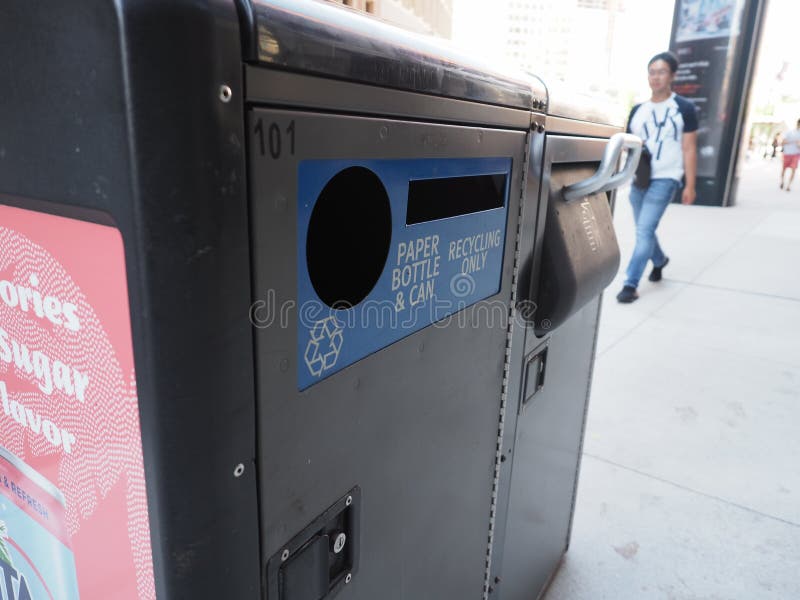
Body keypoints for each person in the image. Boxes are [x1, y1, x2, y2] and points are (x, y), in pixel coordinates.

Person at [616, 51, 698, 303]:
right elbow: (628, 145)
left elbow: (689, 148)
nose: (656, 77)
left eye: (661, 72)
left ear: (672, 75)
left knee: (644, 230)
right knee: (646, 230)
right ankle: (660, 260)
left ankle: (630, 283)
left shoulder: (684, 108)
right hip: (640, 177)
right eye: (652, 72)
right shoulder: (638, 110)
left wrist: (690, 185)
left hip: (666, 177)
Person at [780, 119, 800, 191]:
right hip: (787, 153)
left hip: (796, 154)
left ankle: (788, 185)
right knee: (784, 169)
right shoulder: (789, 132)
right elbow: (782, 142)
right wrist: (794, 141)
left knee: (793, 170)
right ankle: (782, 182)